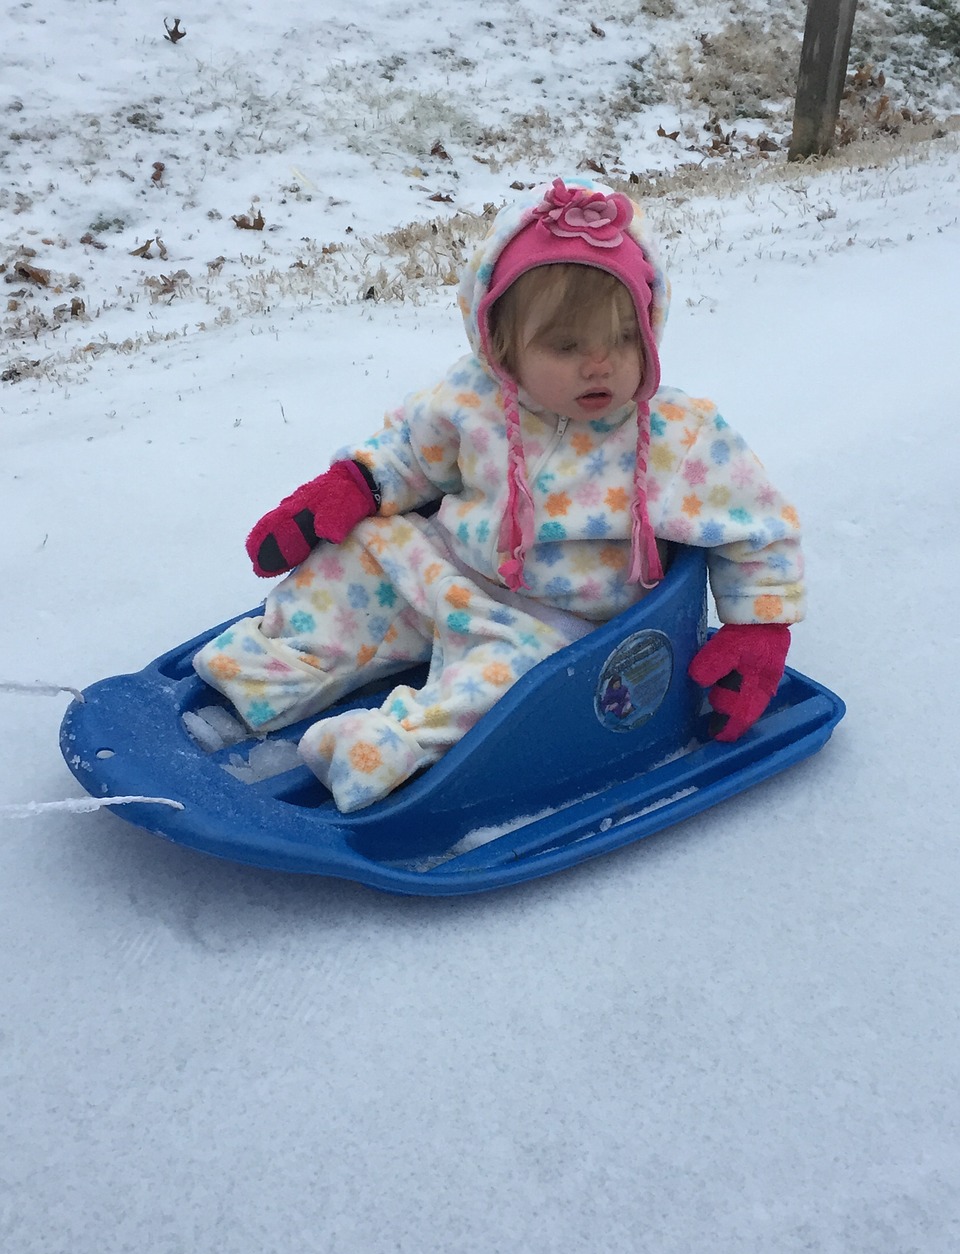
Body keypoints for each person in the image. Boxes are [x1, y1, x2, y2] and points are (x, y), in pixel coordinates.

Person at [193, 178, 804, 812]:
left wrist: (758, 629)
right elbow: (411, 454)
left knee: (506, 695)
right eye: (567, 345)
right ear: (502, 344)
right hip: (450, 565)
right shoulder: (473, 397)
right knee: (367, 545)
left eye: (623, 337)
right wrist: (354, 484)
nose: (600, 364)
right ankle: (274, 666)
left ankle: (390, 747)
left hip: (555, 629)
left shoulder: (680, 437)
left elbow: (756, 526)